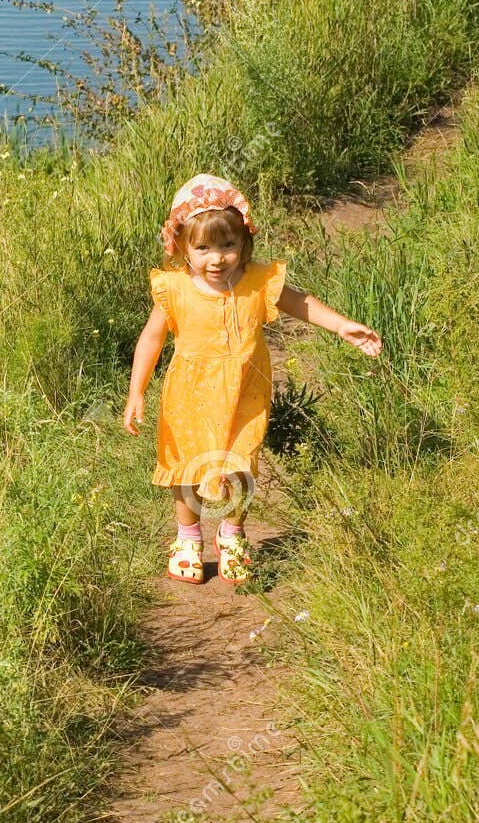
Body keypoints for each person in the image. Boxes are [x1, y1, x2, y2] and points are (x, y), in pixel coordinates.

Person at [122, 174, 383, 584]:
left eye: (227, 245)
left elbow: (300, 303)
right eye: (203, 248)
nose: (216, 258)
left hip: (245, 392)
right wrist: (136, 391)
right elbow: (152, 338)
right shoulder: (174, 287)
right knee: (188, 466)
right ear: (182, 246)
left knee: (240, 465)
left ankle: (232, 534)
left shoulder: (257, 282)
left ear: (244, 242)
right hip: (189, 395)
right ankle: (188, 538)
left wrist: (342, 326)